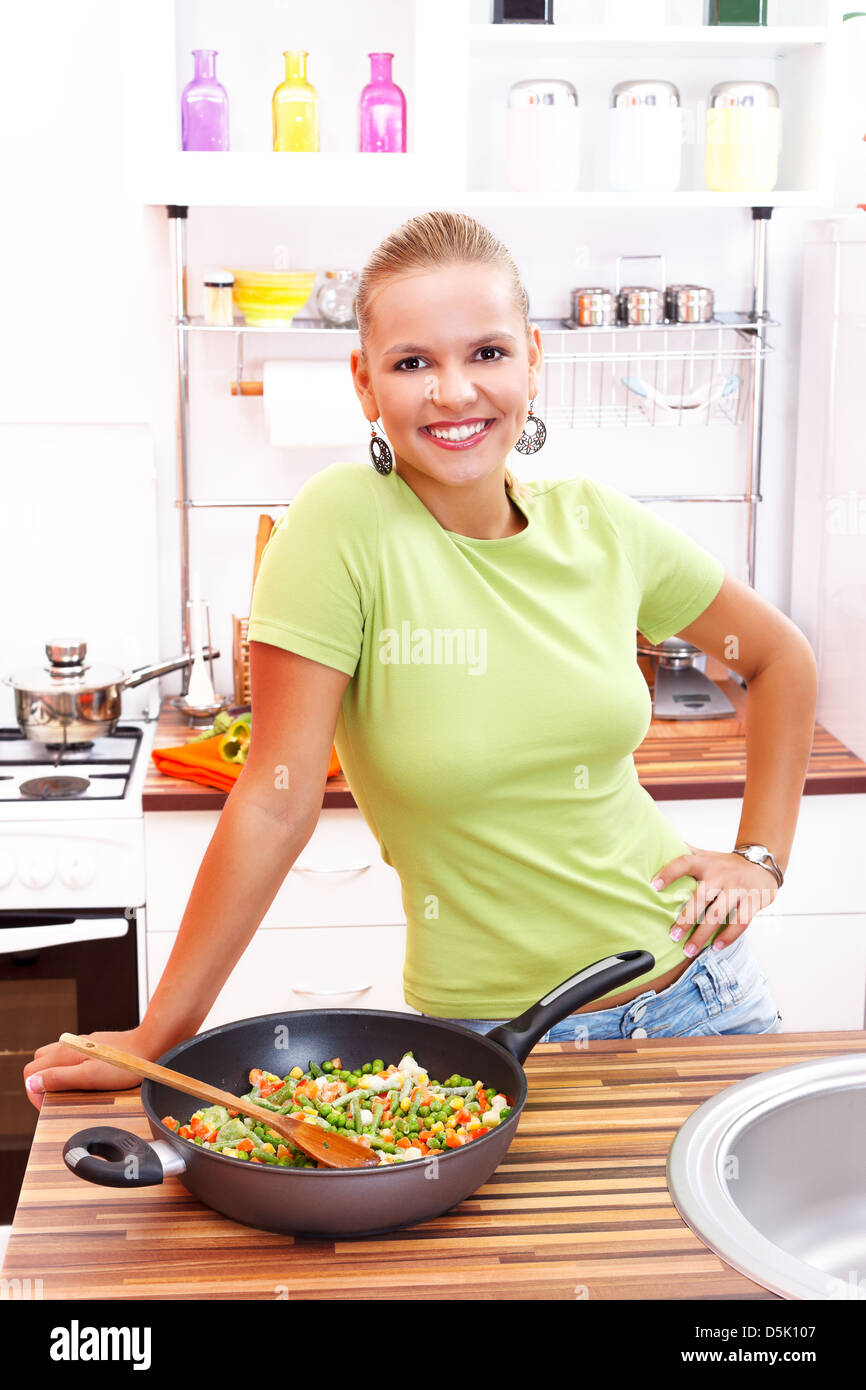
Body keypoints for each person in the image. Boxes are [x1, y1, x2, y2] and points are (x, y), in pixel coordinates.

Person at [24, 211, 818, 1106]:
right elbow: (276, 803)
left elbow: (778, 659)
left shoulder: (597, 522)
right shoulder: (339, 527)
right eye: (413, 363)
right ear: (364, 384)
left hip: (701, 996)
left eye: (486, 353)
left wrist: (761, 857)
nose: (453, 392)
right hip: (495, 1046)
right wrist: (157, 1033)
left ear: (534, 361)